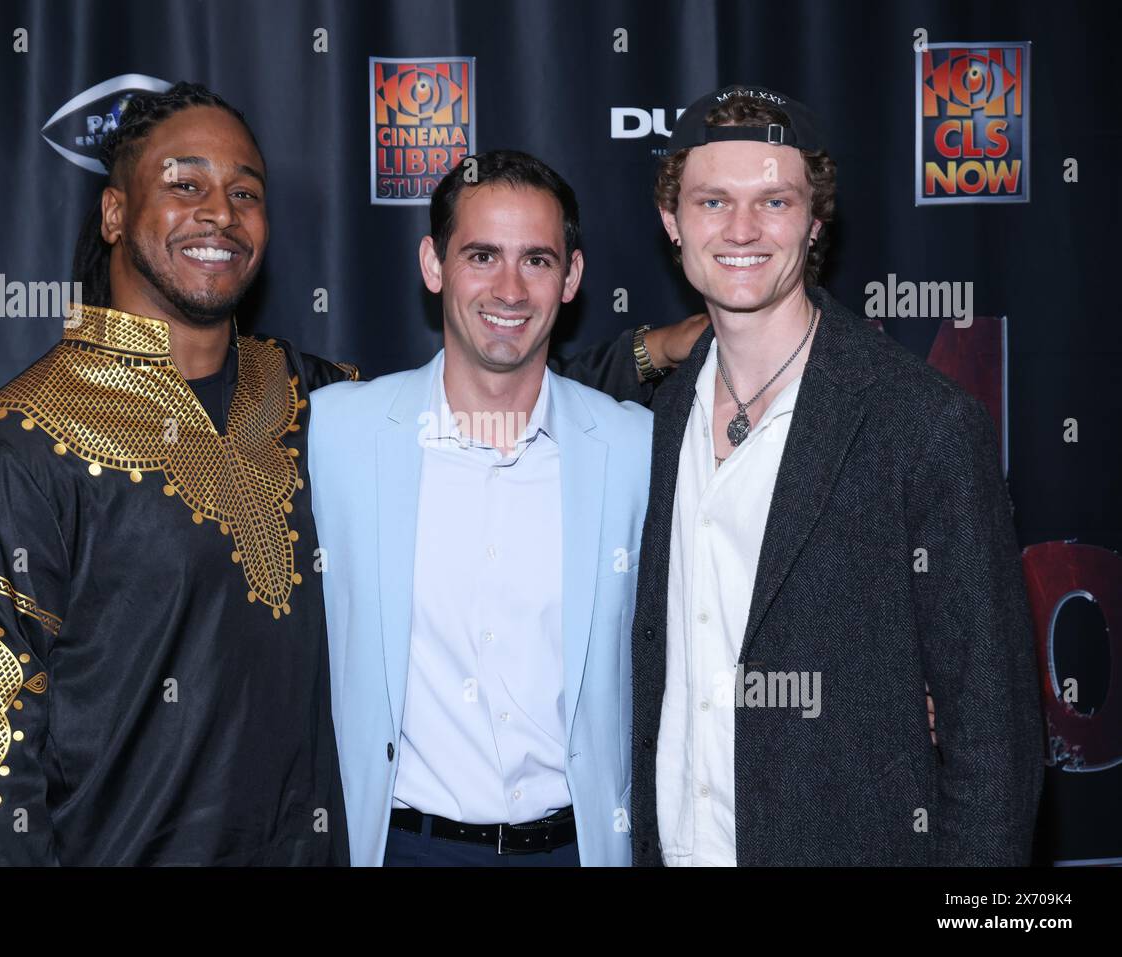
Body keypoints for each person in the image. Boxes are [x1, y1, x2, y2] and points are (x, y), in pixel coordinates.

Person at [0, 82, 357, 864]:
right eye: (184, 184)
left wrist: (644, 357)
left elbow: (488, 395)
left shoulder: (315, 399)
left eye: (245, 192)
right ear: (115, 213)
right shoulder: (15, 445)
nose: (220, 212)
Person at [629, 85, 1043, 866]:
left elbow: (996, 736)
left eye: (773, 200)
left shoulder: (922, 423)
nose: (742, 229)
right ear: (672, 221)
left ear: (815, 221)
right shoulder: (658, 420)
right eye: (712, 200)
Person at [309, 151, 651, 865]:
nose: (510, 288)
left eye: (536, 260)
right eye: (482, 255)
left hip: (578, 848)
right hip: (403, 847)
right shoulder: (337, 434)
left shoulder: (635, 449)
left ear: (572, 278)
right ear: (434, 265)